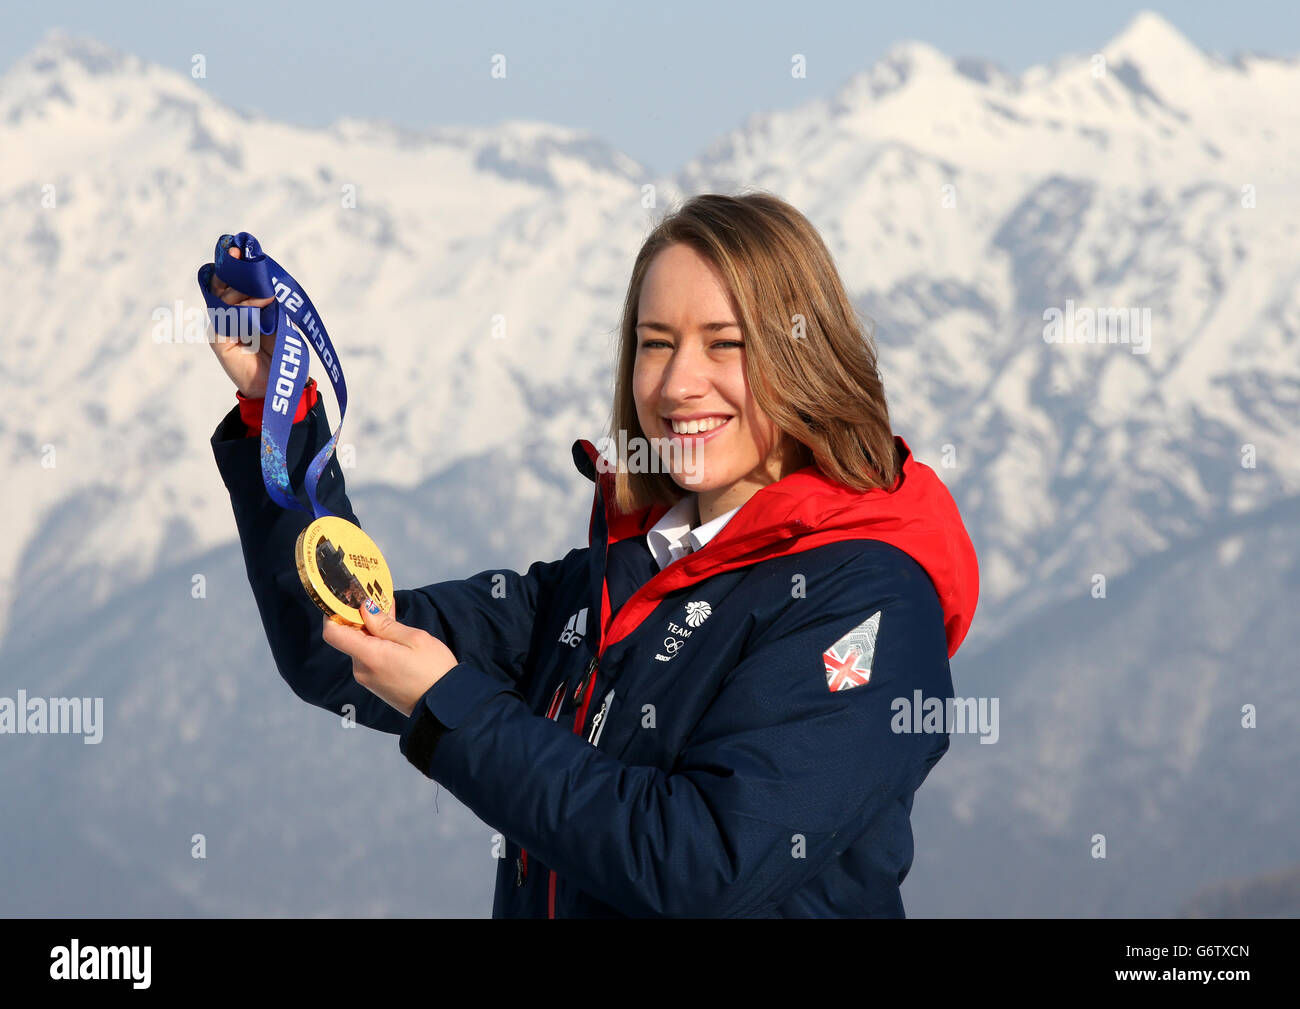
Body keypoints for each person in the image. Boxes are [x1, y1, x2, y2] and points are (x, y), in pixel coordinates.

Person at [207, 191, 979, 918]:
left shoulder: (869, 600)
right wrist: (279, 416)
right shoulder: (598, 590)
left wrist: (458, 710)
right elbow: (340, 645)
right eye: (655, 344)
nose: (679, 383)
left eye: (725, 344)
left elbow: (702, 860)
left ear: (804, 358)